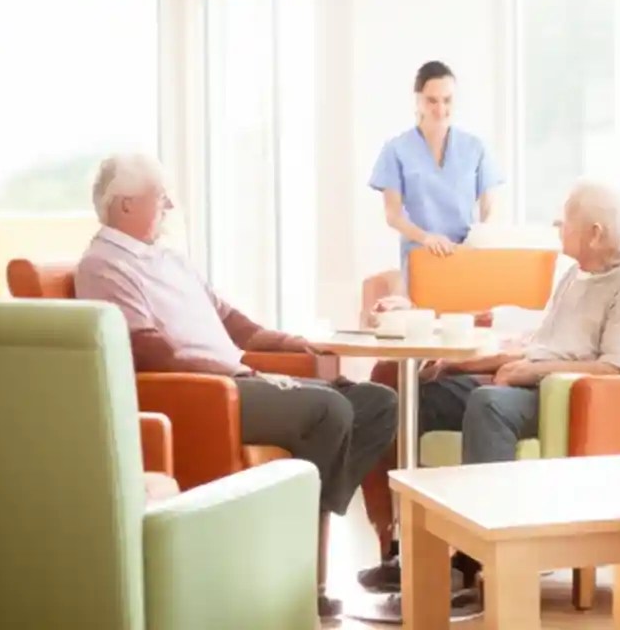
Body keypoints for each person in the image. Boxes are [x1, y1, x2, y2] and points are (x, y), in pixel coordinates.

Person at [74, 153, 397, 618]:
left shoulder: (168, 259)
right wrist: (225, 371)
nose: (168, 205)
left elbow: (233, 322)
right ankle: (307, 563)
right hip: (207, 395)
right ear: (124, 205)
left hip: (241, 378)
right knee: (331, 411)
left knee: (378, 402)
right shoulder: (103, 264)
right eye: (159, 197)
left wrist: (291, 343)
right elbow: (144, 348)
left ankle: (305, 516)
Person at [358, 179, 620, 592]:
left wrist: (531, 372)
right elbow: (542, 342)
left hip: (575, 400)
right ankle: (398, 547)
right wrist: (454, 366)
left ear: (595, 233)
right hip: (534, 384)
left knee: (489, 404)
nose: (559, 223)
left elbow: (619, 370)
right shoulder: (578, 274)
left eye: (567, 218)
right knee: (401, 398)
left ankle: (475, 562)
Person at [369, 61, 502, 284]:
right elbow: (393, 215)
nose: (440, 109)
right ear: (418, 100)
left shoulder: (475, 148)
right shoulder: (396, 150)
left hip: (466, 258)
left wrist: (477, 243)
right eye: (432, 100)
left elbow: (489, 209)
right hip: (420, 260)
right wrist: (426, 238)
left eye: (447, 100)